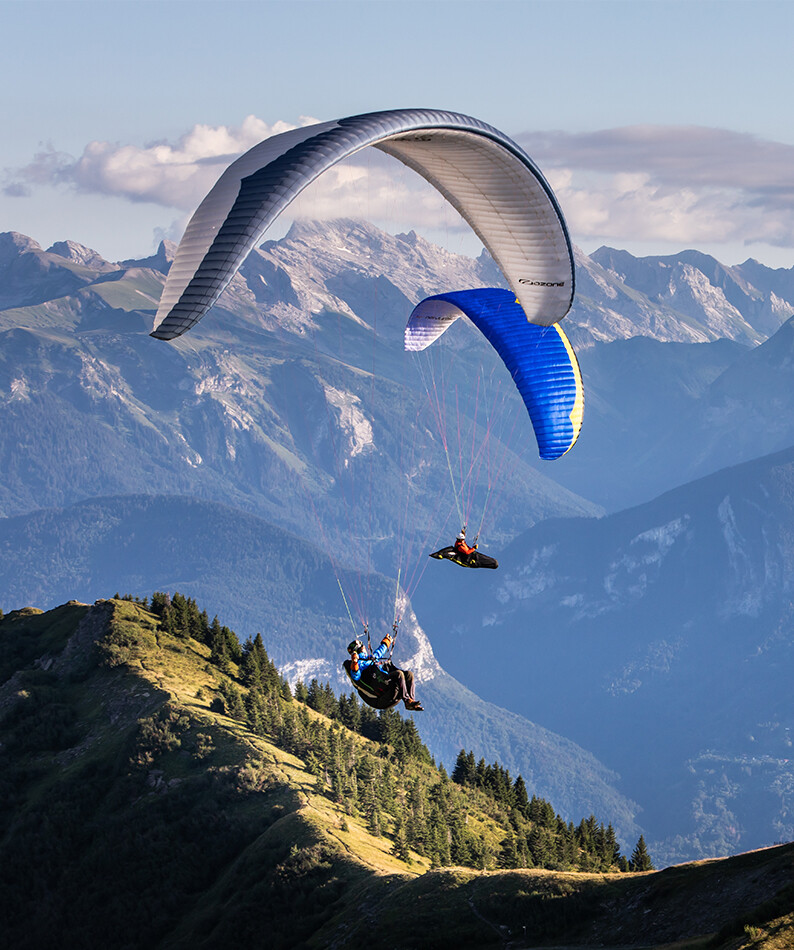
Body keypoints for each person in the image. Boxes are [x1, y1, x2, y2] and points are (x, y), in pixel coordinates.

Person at [343, 635, 423, 711]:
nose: (365, 648)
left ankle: (411, 701)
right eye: (363, 647)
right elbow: (355, 676)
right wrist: (354, 662)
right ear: (362, 649)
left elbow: (379, 652)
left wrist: (386, 642)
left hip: (387, 688)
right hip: (381, 698)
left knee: (409, 674)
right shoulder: (359, 664)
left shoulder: (369, 659)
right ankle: (407, 700)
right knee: (398, 674)